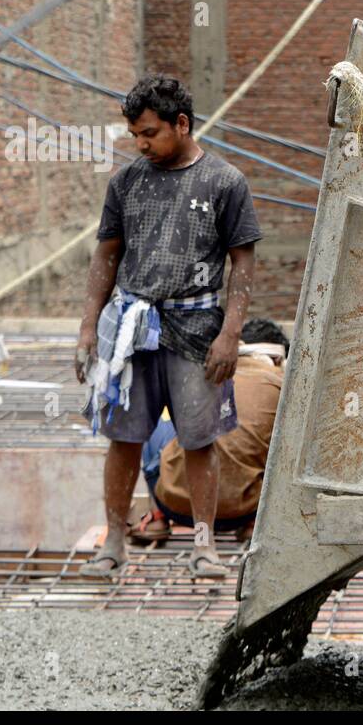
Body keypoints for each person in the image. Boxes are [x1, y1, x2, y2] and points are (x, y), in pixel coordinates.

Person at [74, 74, 262, 579]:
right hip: (133, 331)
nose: (141, 143)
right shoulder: (127, 182)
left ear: (181, 124)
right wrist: (89, 328)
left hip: (197, 331)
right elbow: (107, 254)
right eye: (135, 134)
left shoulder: (225, 182)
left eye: (150, 132)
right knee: (124, 437)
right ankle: (114, 538)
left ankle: (204, 544)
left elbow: (242, 263)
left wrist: (231, 334)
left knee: (199, 440)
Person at [130, 318, 288, 543]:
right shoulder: (284, 383)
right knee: (277, 437)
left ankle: (158, 516)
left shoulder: (202, 371)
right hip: (246, 508)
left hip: (178, 506)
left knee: (153, 410)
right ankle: (254, 525)